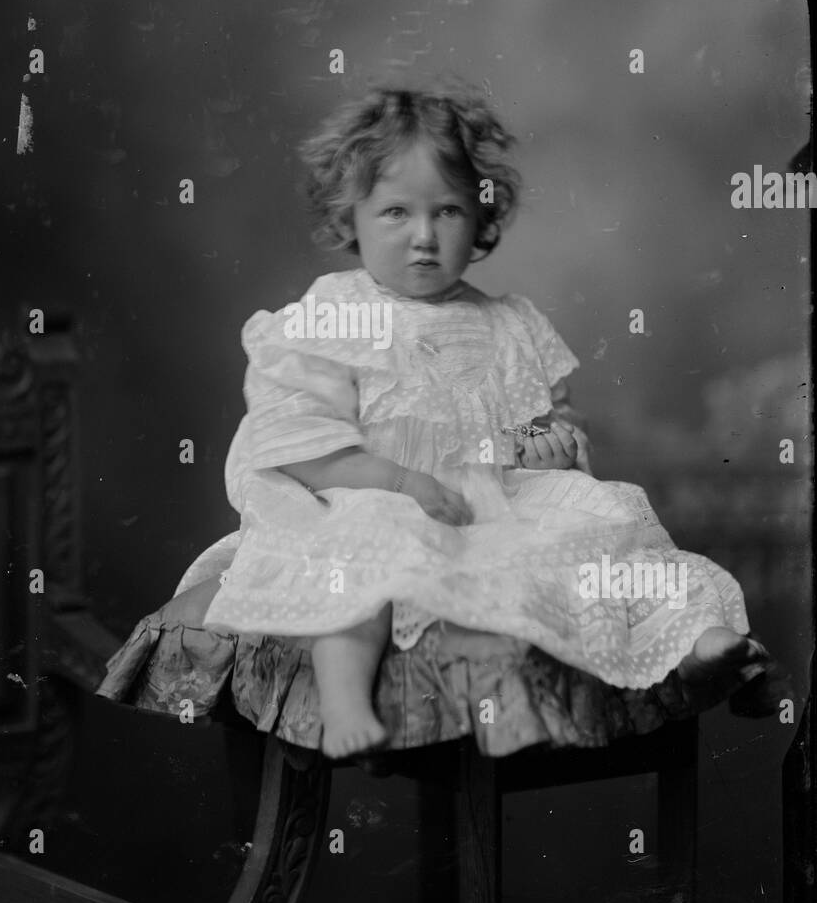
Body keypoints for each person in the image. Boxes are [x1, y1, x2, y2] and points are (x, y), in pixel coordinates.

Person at [98, 81, 781, 760]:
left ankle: (703, 646)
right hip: (364, 497)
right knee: (368, 542)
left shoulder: (509, 322)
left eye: (448, 212)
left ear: (481, 219)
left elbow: (545, 424)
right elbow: (299, 445)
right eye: (396, 212)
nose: (423, 237)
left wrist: (553, 450)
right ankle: (342, 700)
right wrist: (401, 481)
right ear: (351, 218)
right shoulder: (332, 314)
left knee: (610, 523)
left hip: (491, 508)